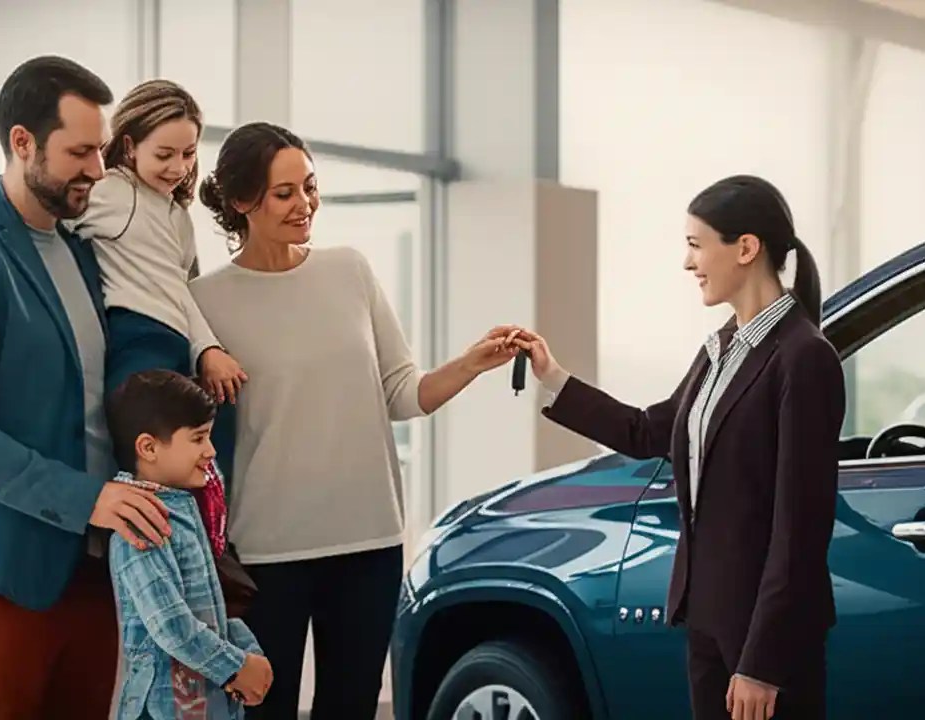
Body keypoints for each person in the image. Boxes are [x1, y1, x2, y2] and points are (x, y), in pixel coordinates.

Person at [189, 121, 523, 719]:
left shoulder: (349, 270)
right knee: (263, 709)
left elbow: (402, 392)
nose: (305, 204)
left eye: (310, 187)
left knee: (351, 708)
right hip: (266, 549)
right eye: (284, 192)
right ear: (242, 201)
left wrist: (473, 363)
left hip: (368, 541)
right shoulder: (205, 301)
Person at [0, 56, 172, 719]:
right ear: (22, 143)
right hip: (1, 571)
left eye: (100, 152)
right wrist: (89, 500)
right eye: (79, 152)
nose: (97, 170)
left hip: (93, 566)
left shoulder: (84, 251)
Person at [513, 175, 845, 720]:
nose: (688, 264)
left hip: (765, 641)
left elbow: (800, 530)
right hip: (710, 621)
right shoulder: (720, 348)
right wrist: (554, 377)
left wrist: (763, 661)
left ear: (745, 248)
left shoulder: (803, 357)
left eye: (696, 245)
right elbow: (649, 432)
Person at [69, 78, 237, 570]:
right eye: (164, 154)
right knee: (152, 449)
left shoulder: (178, 216)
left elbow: (183, 292)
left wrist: (206, 349)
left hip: (174, 344)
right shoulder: (112, 192)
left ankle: (210, 542)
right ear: (128, 145)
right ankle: (129, 550)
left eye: (188, 154)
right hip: (134, 340)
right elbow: (48, 226)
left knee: (216, 423)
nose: (178, 167)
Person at [105, 369, 271, 719]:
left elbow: (207, 613)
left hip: (200, 703)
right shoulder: (141, 521)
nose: (210, 451)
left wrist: (247, 654)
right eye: (198, 439)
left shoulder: (179, 510)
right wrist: (236, 666)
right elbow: (170, 625)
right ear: (148, 447)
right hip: (166, 709)